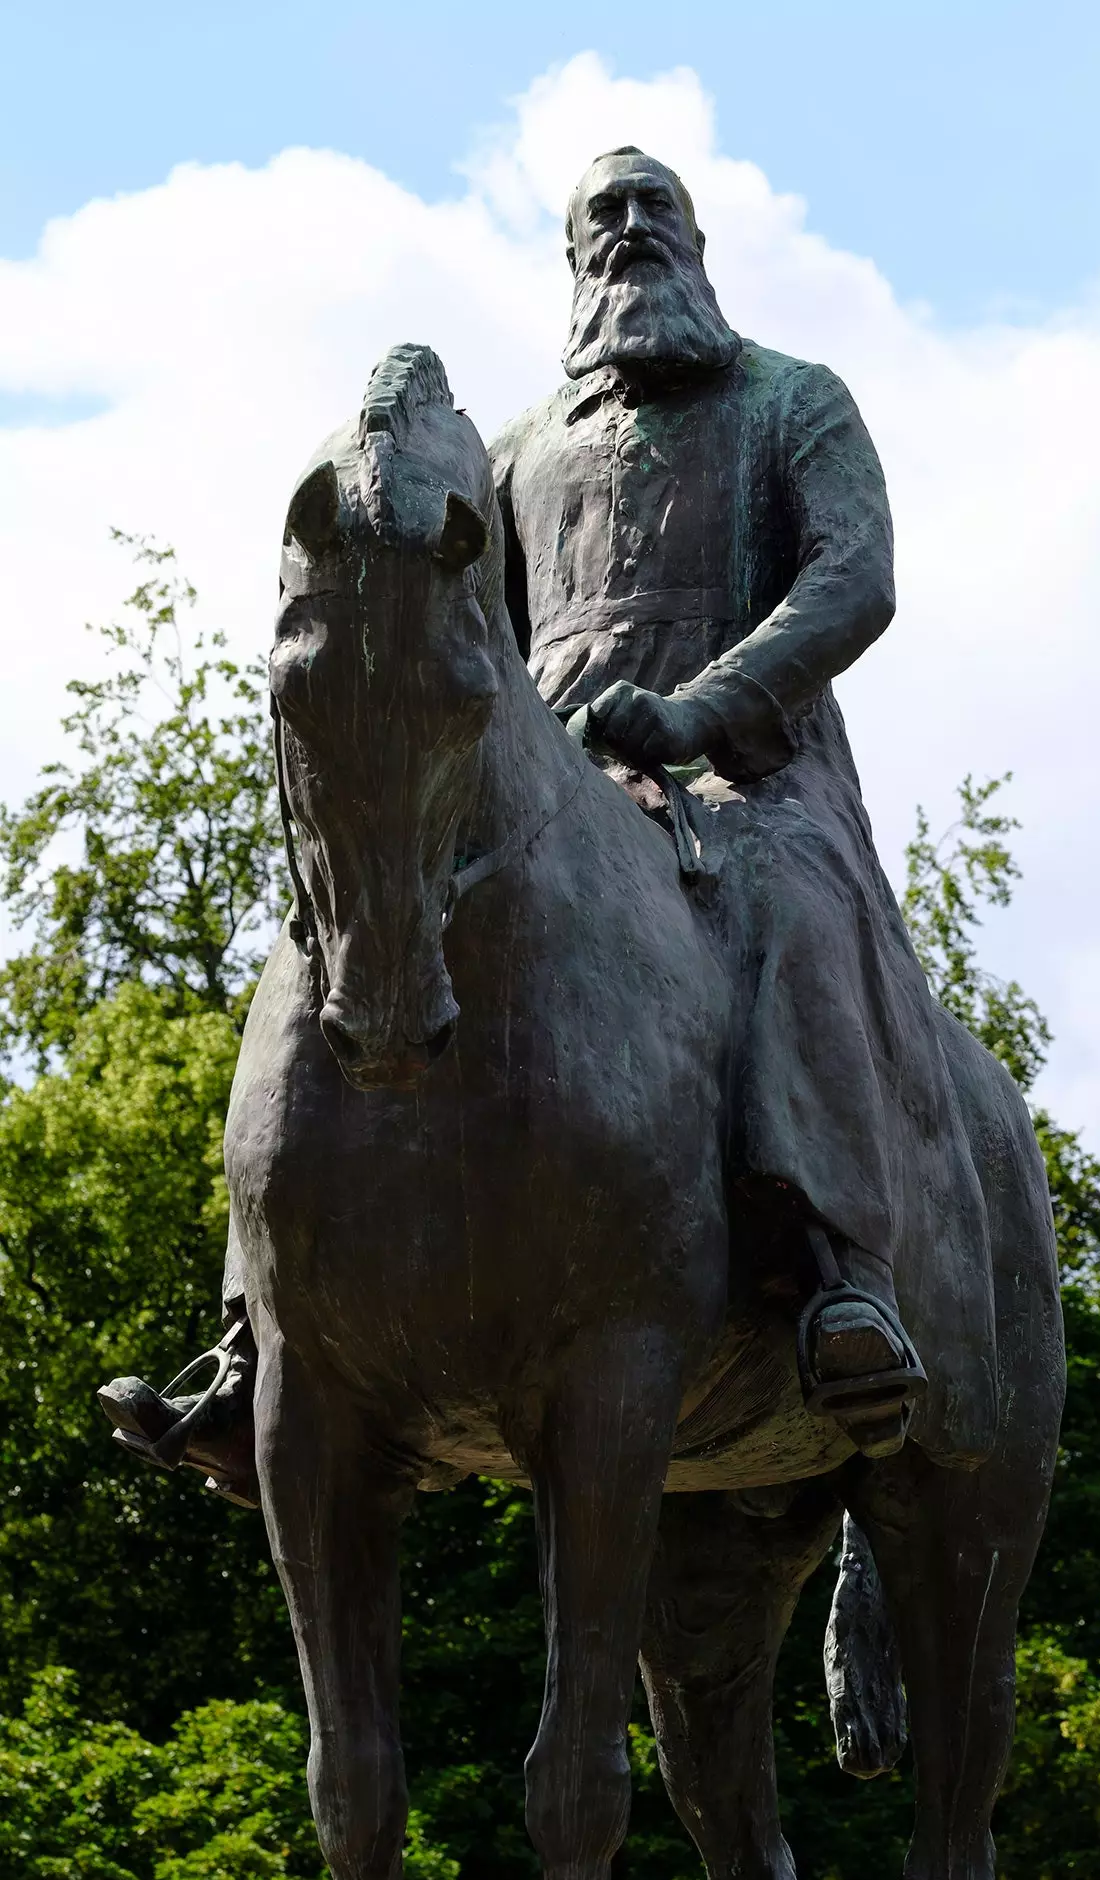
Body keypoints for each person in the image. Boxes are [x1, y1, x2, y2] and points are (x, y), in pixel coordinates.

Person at [99, 147, 998, 1501]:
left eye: (657, 214)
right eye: (603, 222)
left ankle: (835, 1272)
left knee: (788, 905)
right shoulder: (516, 450)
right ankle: (260, 1330)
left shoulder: (793, 402)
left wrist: (704, 707)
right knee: (331, 924)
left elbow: (854, 578)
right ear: (575, 264)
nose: (631, 234)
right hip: (544, 787)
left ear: (700, 245)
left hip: (748, 780)